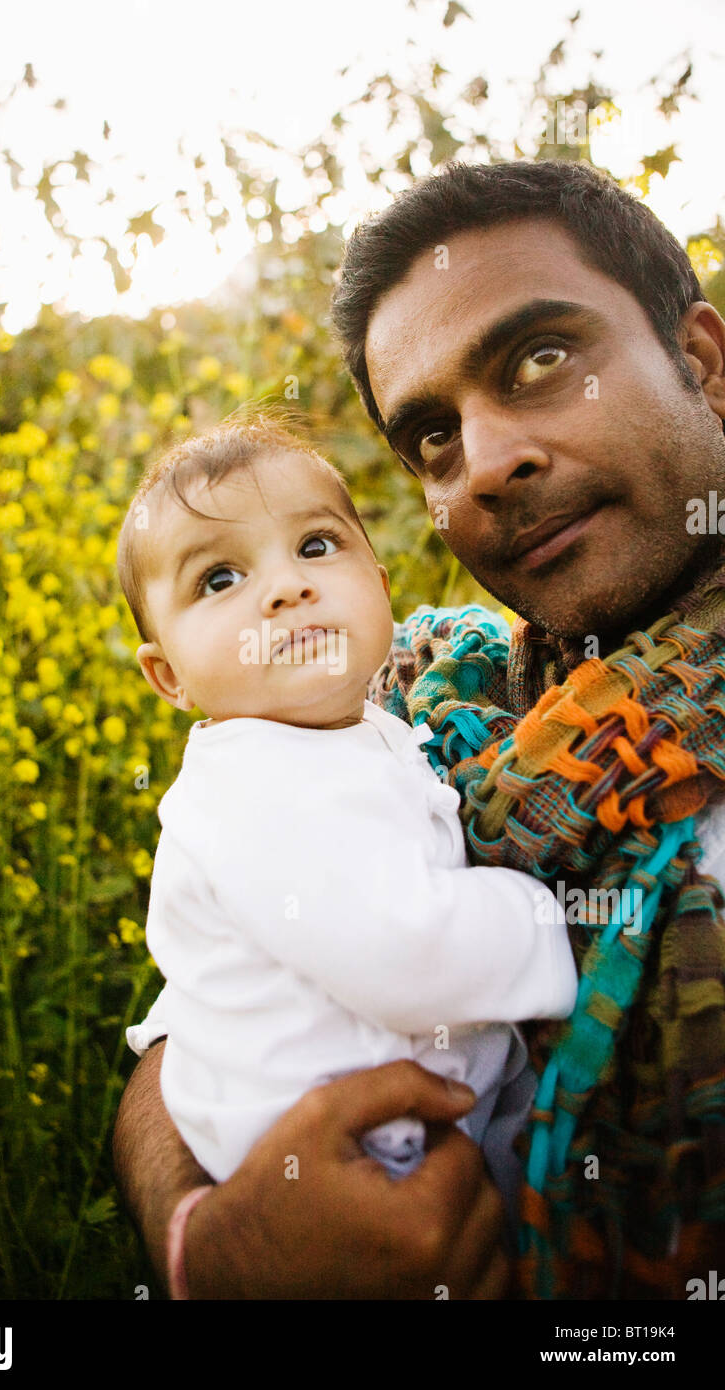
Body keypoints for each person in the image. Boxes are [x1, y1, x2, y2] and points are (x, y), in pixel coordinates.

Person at [113, 160, 725, 1299]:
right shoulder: (414, 694)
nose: (488, 463)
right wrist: (205, 1241)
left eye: (543, 360)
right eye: (436, 435)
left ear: (702, 362)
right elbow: (179, 1031)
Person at [116, 419, 576, 1237]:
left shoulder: (360, 730)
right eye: (219, 578)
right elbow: (404, 947)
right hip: (355, 1176)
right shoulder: (250, 785)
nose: (286, 588)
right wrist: (558, 920)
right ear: (168, 675)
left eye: (318, 547)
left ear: (383, 586)